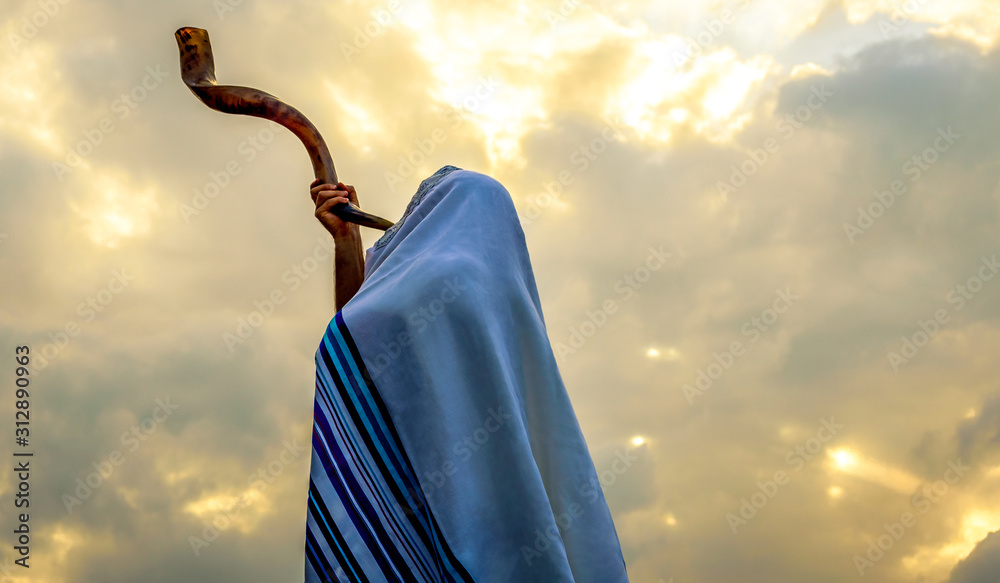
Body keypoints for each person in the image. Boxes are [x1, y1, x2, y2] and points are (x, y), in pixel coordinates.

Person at [303, 167, 630, 582]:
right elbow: (365, 349)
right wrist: (348, 242)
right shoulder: (503, 301)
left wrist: (350, 245)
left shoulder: (441, 281)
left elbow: (360, 349)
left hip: (422, 505)